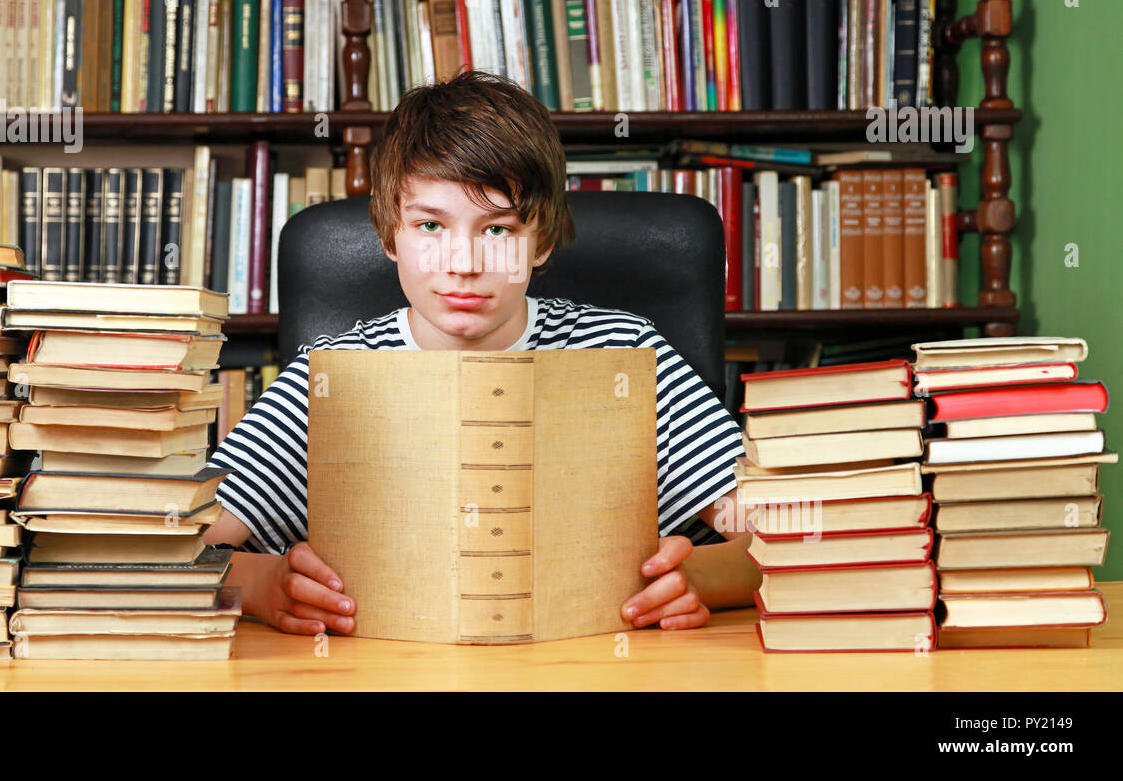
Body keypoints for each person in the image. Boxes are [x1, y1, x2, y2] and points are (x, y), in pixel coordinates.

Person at [203, 69, 759, 635]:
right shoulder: (326, 380)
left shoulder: (630, 355)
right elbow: (164, 544)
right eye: (429, 225)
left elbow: (787, 538)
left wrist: (697, 580)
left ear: (541, 239)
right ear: (389, 234)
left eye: (498, 230)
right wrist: (258, 585)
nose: (464, 262)